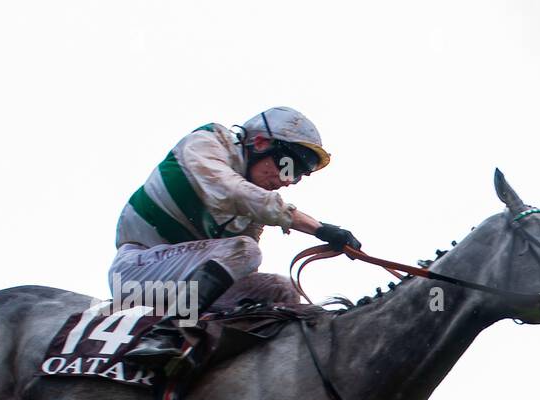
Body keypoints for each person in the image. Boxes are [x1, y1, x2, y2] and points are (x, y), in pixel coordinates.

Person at [117, 107, 362, 368]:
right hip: (136, 275)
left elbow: (239, 273)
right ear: (259, 143)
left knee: (282, 291)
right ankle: (167, 333)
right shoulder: (207, 143)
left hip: (181, 286)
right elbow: (233, 192)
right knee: (245, 249)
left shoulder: (250, 214)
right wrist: (318, 228)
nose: (289, 181)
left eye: (298, 175)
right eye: (287, 167)